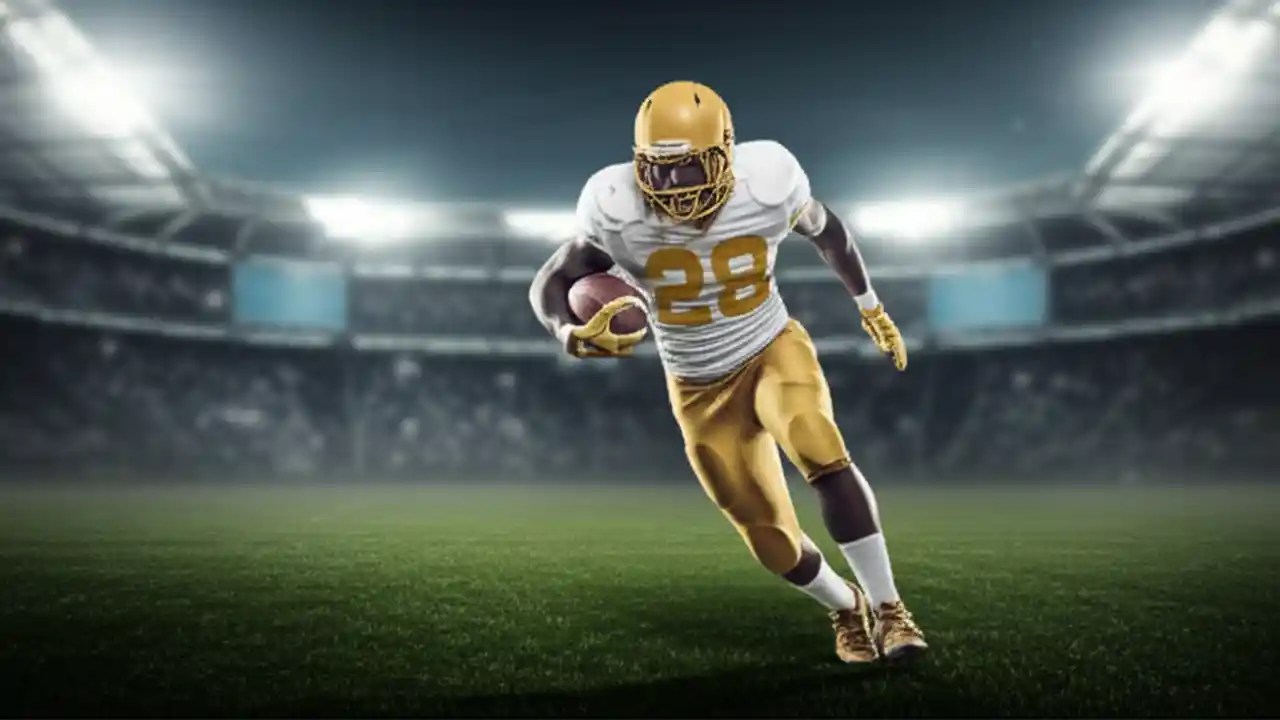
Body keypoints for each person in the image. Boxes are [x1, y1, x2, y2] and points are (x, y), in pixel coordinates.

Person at [529, 81, 926, 664]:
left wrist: (871, 306)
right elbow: (549, 282)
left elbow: (829, 232)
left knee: (814, 439)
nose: (672, 187)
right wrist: (566, 331)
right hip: (694, 384)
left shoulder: (767, 183)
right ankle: (847, 606)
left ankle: (891, 608)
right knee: (769, 541)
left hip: (770, 346)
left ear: (724, 154)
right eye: (658, 171)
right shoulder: (614, 207)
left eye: (688, 169)